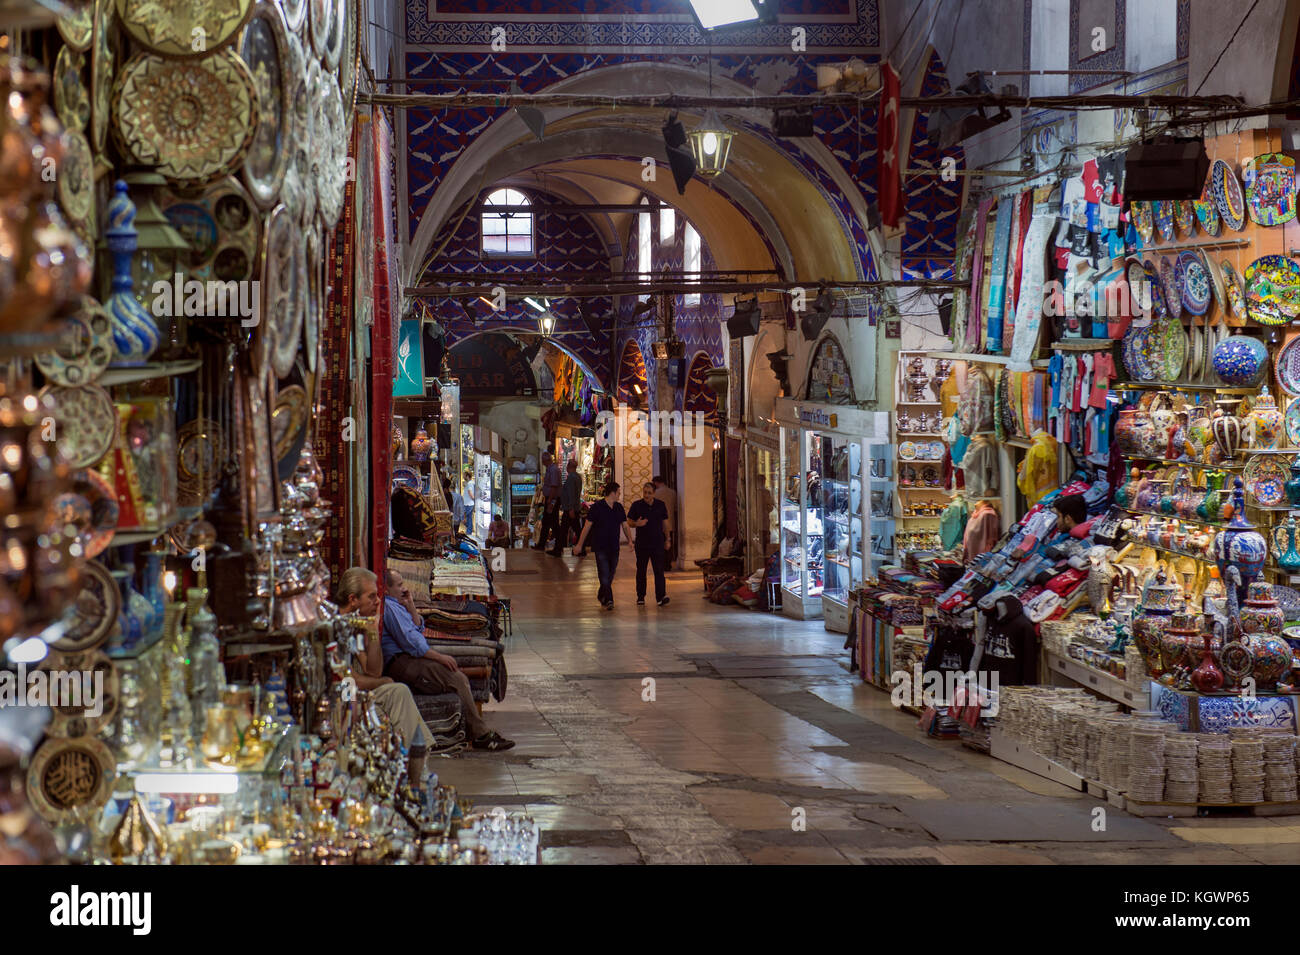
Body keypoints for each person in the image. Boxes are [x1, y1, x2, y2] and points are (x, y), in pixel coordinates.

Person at [380, 569, 514, 751]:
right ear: (386, 589)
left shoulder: (397, 605)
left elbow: (417, 629)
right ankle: (481, 735)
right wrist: (440, 657)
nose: (404, 588)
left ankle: (476, 731)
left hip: (410, 658)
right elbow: (412, 642)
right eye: (399, 585)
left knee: (458, 678)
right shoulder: (389, 607)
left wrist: (410, 604)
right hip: (402, 662)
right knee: (456, 679)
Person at [336, 568, 442, 781]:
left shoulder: (358, 624)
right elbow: (348, 679)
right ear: (353, 599)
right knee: (396, 689)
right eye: (372, 596)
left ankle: (418, 761)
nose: (377, 602)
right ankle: (417, 766)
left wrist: (373, 633)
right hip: (340, 695)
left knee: (397, 692)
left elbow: (372, 669)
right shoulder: (335, 626)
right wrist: (382, 681)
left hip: (356, 690)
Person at [573, 481, 634, 611]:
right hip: (600, 546)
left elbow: (625, 525)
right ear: (612, 493)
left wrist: (630, 540)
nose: (619, 495)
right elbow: (587, 527)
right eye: (618, 492)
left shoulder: (618, 508)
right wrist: (579, 544)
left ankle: (602, 595)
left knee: (610, 574)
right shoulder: (597, 507)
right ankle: (609, 599)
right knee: (604, 574)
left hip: (614, 547)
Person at [627, 482, 671, 607]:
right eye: (645, 492)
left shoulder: (660, 505)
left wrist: (668, 539)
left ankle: (661, 597)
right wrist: (637, 524)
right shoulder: (637, 505)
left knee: (659, 571)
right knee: (641, 571)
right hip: (642, 544)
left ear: (654, 493)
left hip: (657, 543)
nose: (646, 495)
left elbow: (665, 523)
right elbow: (629, 521)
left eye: (649, 493)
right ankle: (640, 596)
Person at [550, 458, 583, 557]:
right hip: (573, 508)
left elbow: (571, 494)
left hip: (570, 509)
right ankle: (580, 548)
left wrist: (571, 508)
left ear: (569, 467)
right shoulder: (578, 477)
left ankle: (559, 550)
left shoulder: (571, 478)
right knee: (574, 529)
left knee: (565, 530)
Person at [533, 452, 563, 551]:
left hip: (553, 499)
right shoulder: (550, 469)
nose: (542, 462)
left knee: (553, 523)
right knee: (546, 522)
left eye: (543, 460)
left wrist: (550, 500)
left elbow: (554, 486)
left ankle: (558, 547)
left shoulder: (553, 470)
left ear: (546, 460)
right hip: (550, 499)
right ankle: (542, 544)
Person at [652, 475, 678, 565]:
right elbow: (675, 508)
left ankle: (661, 563)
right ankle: (668, 563)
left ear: (656, 483)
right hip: (670, 522)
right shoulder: (673, 492)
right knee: (669, 543)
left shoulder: (655, 493)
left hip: (659, 523)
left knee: (659, 545)